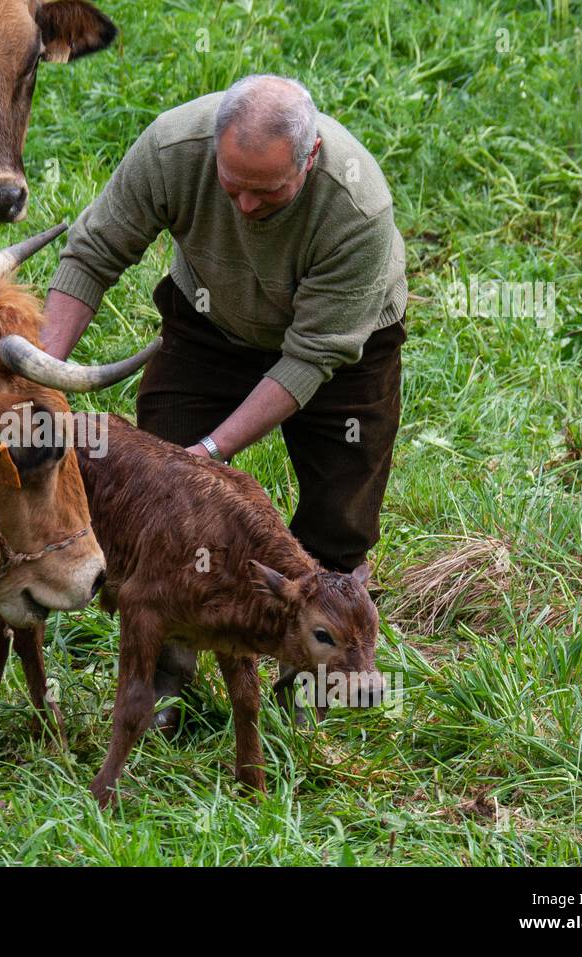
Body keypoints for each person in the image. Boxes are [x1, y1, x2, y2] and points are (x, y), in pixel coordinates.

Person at [41, 74, 408, 733]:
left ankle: (316, 679)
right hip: (209, 318)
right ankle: (165, 676)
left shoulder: (356, 207)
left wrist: (211, 453)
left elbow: (309, 357)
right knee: (168, 508)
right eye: (230, 183)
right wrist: (43, 380)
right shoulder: (173, 149)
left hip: (344, 345)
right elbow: (94, 253)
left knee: (340, 513)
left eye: (266, 192)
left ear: (310, 158)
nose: (241, 205)